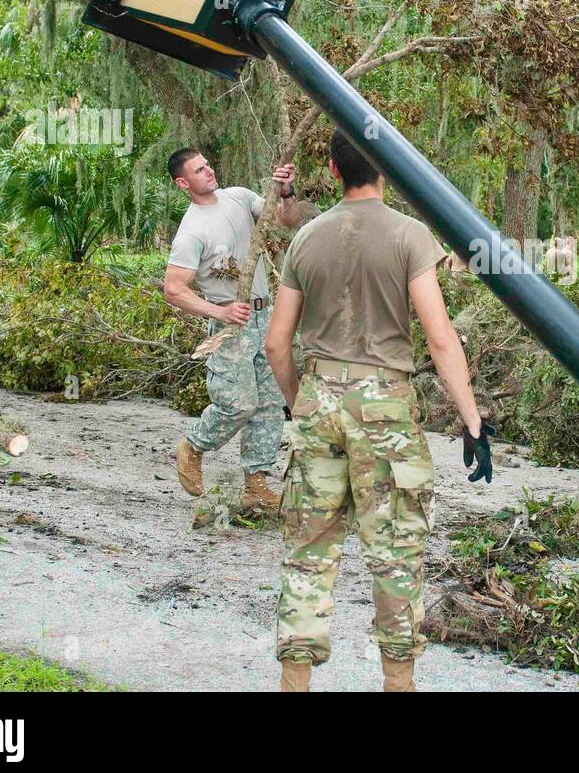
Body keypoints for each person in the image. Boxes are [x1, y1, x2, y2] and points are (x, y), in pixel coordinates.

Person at [264, 129, 494, 692]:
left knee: (308, 551)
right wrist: (472, 420)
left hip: (317, 398)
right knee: (394, 555)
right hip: (384, 407)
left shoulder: (307, 238)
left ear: (334, 171)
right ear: (385, 170)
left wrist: (304, 402)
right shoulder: (410, 236)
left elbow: (275, 343)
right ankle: (397, 684)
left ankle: (294, 684)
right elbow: (441, 340)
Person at [162, 150, 312, 510]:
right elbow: (173, 288)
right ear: (183, 183)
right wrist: (220, 310)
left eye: (207, 164)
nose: (208, 170)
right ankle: (194, 445)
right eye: (199, 170)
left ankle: (256, 483)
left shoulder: (239, 197)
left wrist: (286, 190)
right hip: (232, 325)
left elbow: (285, 220)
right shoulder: (192, 230)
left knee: (270, 404)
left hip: (266, 314)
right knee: (238, 404)